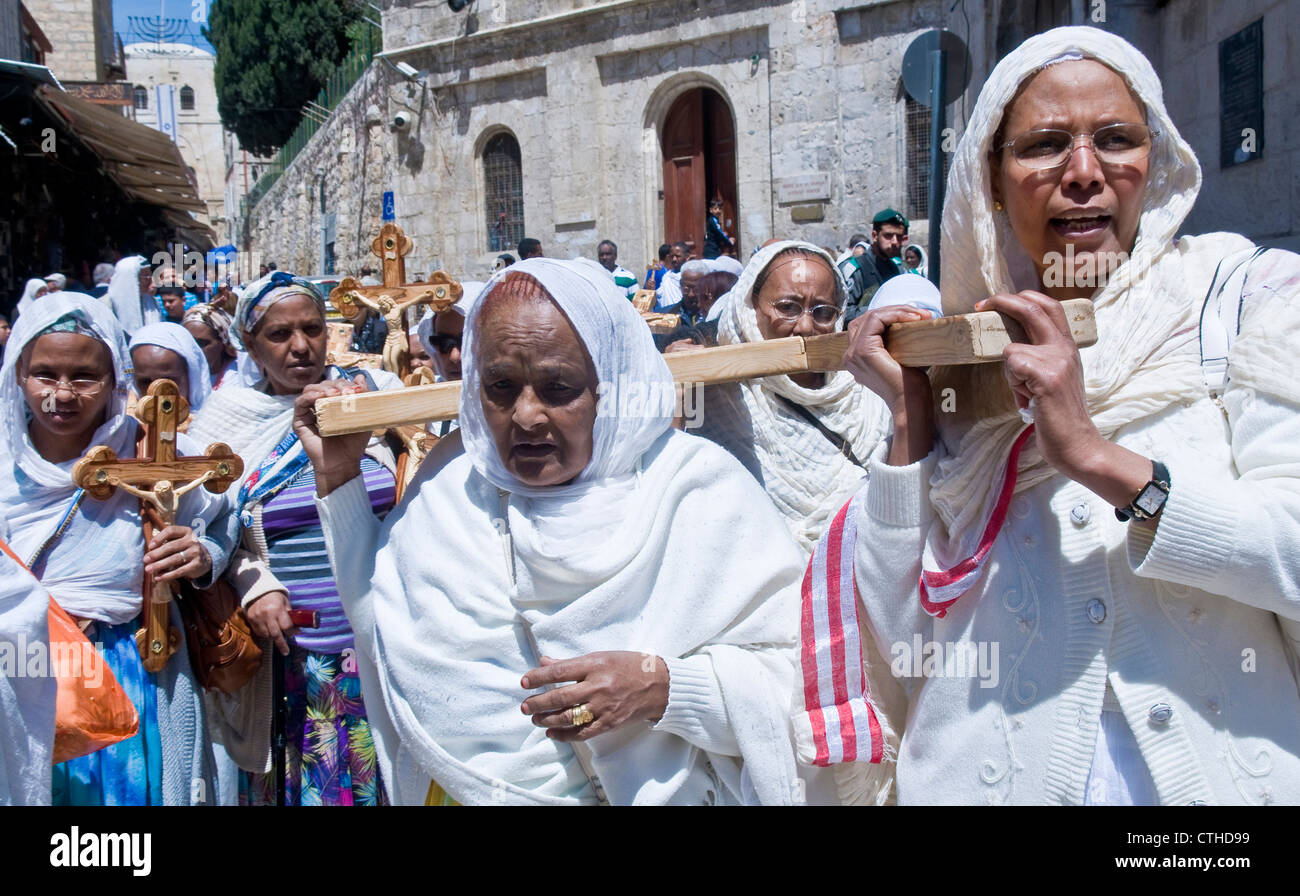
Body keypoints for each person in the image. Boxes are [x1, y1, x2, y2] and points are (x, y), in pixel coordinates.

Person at [817, 25, 1300, 806]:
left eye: (1116, 139)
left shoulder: (1248, 303)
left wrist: (1099, 459)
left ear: (1155, 161)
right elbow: (904, 647)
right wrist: (909, 432)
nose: (1084, 173)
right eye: (1044, 146)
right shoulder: (960, 349)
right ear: (992, 180)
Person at [297, 257, 833, 805]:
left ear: (614, 383)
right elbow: (388, 636)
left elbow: (796, 687)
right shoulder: (447, 492)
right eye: (501, 386)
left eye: (559, 387)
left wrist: (662, 688)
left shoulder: (701, 494)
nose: (526, 416)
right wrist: (338, 477)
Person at [0, 293, 237, 804]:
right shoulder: (3, 463)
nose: (62, 395)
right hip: (17, 672)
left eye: (84, 377)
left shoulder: (155, 455)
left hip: (126, 672)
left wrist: (201, 555)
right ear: (18, 372)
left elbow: (226, 520)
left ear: (115, 380)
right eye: (45, 374)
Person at [189, 271, 401, 806]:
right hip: (297, 660)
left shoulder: (376, 400)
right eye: (280, 335)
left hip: (385, 648)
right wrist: (254, 583)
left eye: (312, 328)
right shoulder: (225, 424)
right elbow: (213, 530)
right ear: (248, 344)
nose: (301, 346)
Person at [692, 241, 888, 556]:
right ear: (749, 309)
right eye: (787, 307)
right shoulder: (718, 399)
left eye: (823, 312)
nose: (806, 327)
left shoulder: (865, 393)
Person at [128, 321, 212, 420]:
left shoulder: (217, 425)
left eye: (168, 383)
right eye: (145, 382)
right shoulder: (126, 429)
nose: (157, 394)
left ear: (192, 377)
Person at [842, 208, 908, 322]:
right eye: (888, 235)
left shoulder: (898, 269)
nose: (894, 242)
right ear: (875, 236)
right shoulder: (856, 269)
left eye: (899, 237)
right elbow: (842, 313)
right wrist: (880, 311)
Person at [183, 303, 240, 390]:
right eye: (189, 342)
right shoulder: (179, 375)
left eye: (202, 343)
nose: (194, 350)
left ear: (222, 343)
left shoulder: (236, 379)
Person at [105, 256, 161, 337]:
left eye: (150, 275)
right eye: (146, 276)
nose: (150, 280)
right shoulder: (107, 304)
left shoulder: (152, 302)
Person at [654, 241, 689, 311]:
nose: (674, 259)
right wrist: (652, 291)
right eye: (672, 256)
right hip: (664, 315)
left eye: (678, 256)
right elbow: (660, 298)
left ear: (687, 257)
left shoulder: (689, 277)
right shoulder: (666, 276)